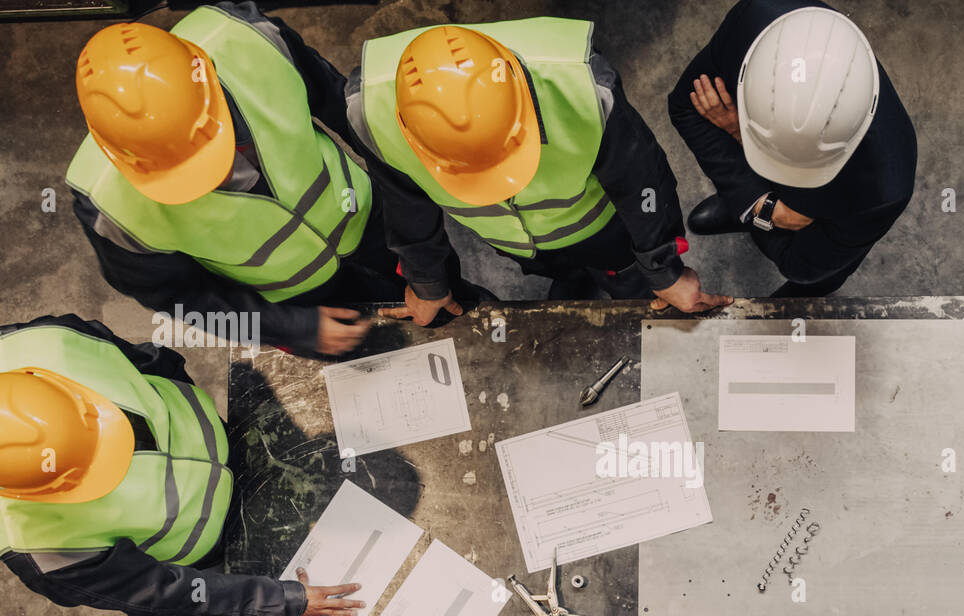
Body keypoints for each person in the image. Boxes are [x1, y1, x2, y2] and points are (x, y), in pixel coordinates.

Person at [66, 3, 402, 357]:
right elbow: (179, 298)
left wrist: (411, 224)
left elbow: (344, 108)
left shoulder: (247, 39)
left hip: (368, 217)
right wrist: (290, 327)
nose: (212, 177)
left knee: (436, 302)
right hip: (291, 300)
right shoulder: (107, 207)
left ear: (209, 76)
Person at [344, 18, 731, 323]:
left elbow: (643, 180)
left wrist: (663, 273)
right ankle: (570, 276)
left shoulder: (584, 88)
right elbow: (401, 199)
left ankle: (617, 278)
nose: (495, 188)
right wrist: (426, 280)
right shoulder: (371, 112)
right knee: (559, 270)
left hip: (602, 230)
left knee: (623, 275)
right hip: (514, 242)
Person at [0, 314, 363, 616]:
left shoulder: (38, 343)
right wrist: (276, 600)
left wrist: (181, 384)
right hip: (222, 542)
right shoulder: (40, 548)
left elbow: (142, 359)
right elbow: (164, 595)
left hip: (230, 440)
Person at [668, 0, 917, 296]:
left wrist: (757, 196)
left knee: (804, 272)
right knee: (752, 206)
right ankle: (749, 213)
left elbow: (809, 263)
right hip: (777, 195)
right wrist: (760, 204)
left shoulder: (886, 185)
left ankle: (754, 224)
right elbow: (685, 107)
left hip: (835, 212)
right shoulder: (755, 19)